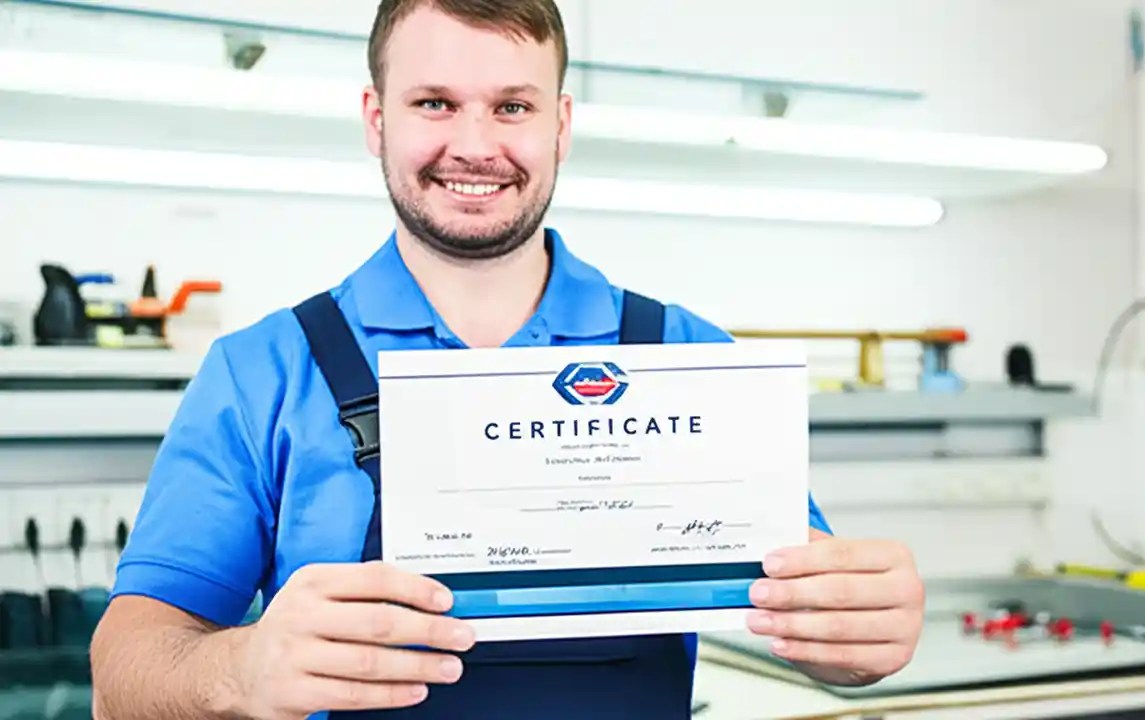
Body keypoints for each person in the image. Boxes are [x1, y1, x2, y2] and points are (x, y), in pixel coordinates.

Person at [88, 0, 925, 717]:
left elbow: (810, 609)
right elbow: (121, 674)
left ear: (560, 123)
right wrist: (239, 670)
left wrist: (859, 634)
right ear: (378, 118)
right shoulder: (261, 373)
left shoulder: (688, 357)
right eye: (436, 103)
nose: (475, 144)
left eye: (513, 107)